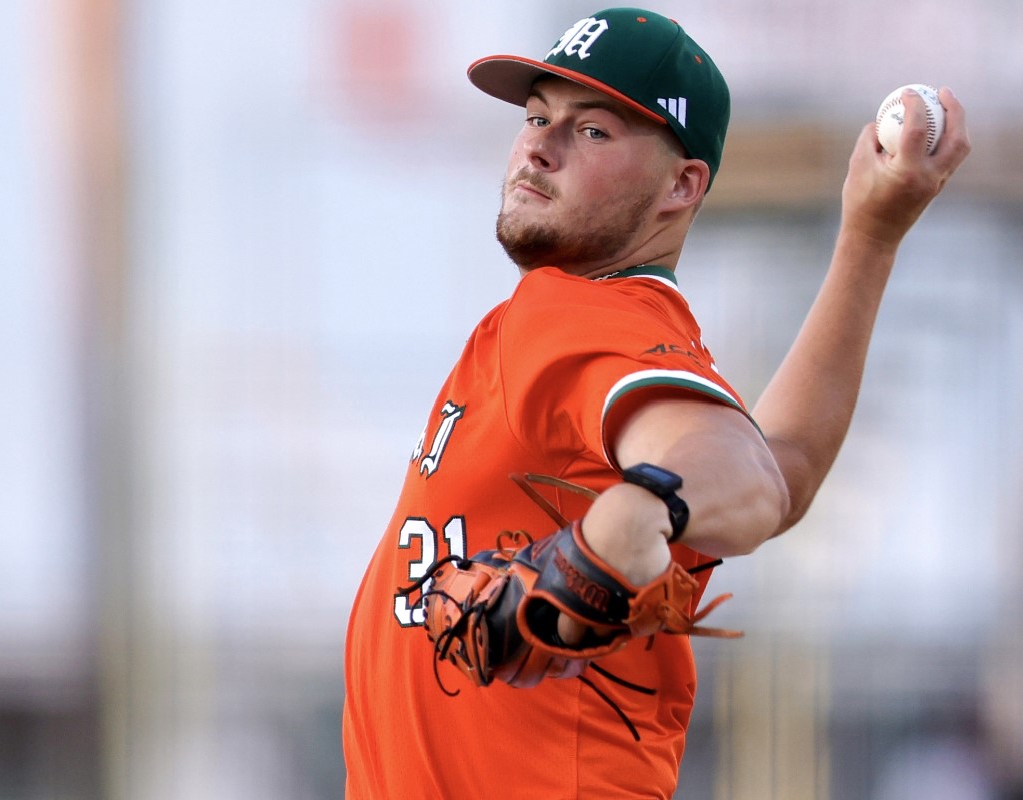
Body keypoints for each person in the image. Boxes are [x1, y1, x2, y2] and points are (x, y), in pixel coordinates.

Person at [343, 7, 970, 799]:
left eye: (593, 131)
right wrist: (870, 237)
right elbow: (781, 473)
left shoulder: (572, 317)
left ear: (683, 184)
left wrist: (649, 511)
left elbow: (742, 477)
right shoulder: (622, 338)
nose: (538, 144)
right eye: (537, 115)